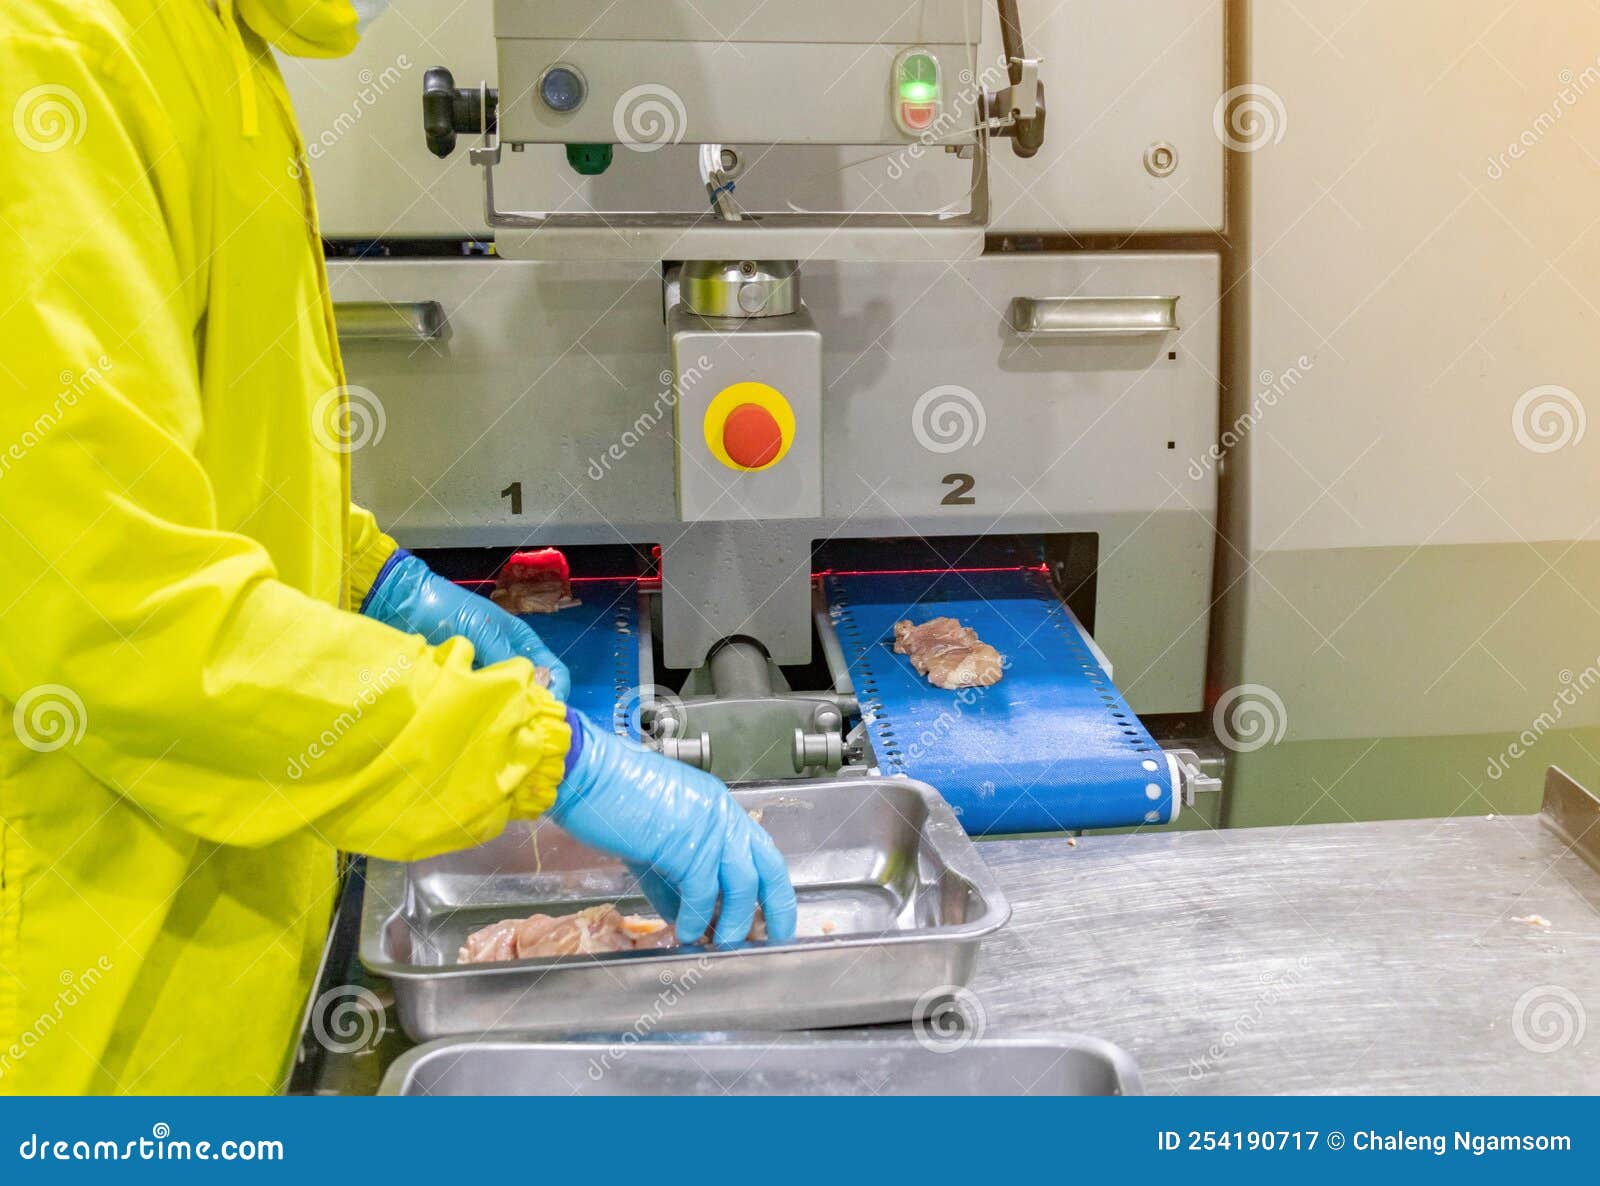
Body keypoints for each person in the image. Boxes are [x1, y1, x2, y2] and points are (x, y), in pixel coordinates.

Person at [0, 0, 795, 1095]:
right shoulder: (48, 61)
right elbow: (110, 619)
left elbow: (220, 468)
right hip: (74, 1025)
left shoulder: (213, 45)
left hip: (215, 975)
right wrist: (544, 757)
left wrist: (374, 583)